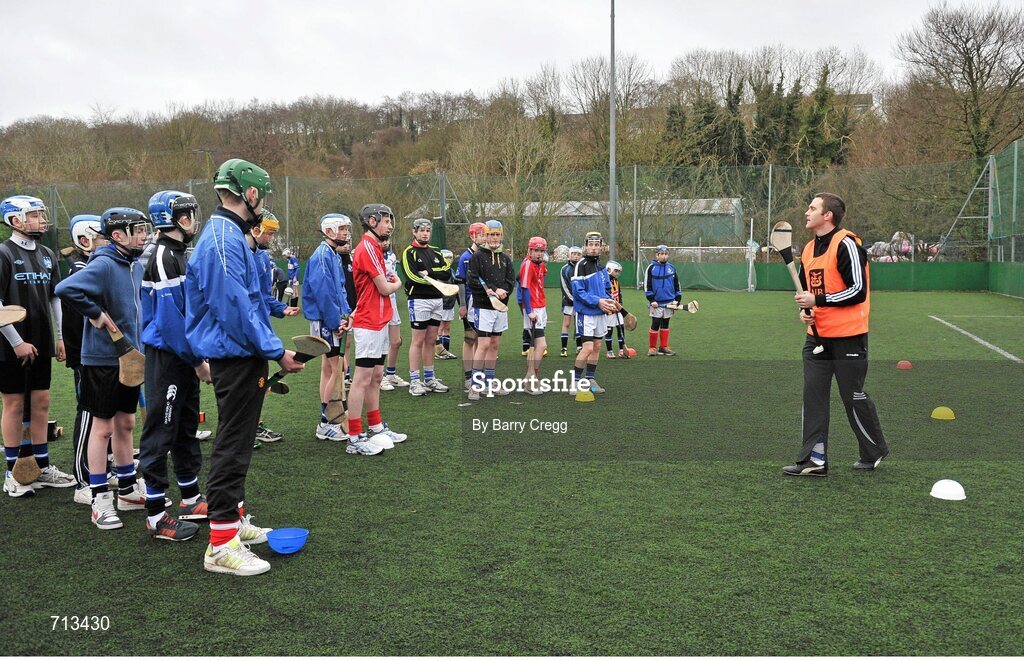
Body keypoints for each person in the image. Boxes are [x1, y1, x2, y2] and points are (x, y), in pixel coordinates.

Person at [185, 158, 304, 575]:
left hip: (242, 352)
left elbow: (248, 303)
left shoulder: (229, 233)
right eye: (263, 195)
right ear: (250, 194)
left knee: (240, 440)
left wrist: (268, 349)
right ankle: (219, 544)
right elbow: (235, 307)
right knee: (232, 444)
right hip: (233, 355)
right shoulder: (222, 236)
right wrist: (276, 351)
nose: (263, 202)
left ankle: (234, 523)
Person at [56, 207, 151, 527]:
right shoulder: (104, 263)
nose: (143, 235)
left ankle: (126, 490)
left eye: (143, 229)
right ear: (117, 235)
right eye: (136, 230)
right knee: (104, 428)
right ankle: (100, 497)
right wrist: (95, 314)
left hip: (129, 358)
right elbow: (66, 289)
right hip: (101, 361)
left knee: (126, 424)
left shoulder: (133, 264)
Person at [783, 192, 890, 477]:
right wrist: (806, 310)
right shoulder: (807, 250)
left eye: (812, 208)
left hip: (849, 338)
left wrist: (816, 302)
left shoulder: (847, 245)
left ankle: (873, 449)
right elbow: (809, 292)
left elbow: (857, 290)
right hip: (816, 338)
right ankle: (814, 460)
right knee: (813, 396)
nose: (807, 212)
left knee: (852, 396)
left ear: (827, 215)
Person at [137, 191, 210, 541]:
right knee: (160, 431)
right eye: (188, 215)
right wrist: (197, 361)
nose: (193, 220)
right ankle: (155, 516)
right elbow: (170, 322)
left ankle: (191, 498)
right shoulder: (165, 256)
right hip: (169, 358)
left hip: (184, 355)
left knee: (184, 427)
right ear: (175, 219)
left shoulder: (180, 254)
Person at [1, 195, 75, 498]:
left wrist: (59, 337)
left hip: (42, 340)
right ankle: (13, 474)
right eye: (34, 215)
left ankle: (41, 467)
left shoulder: (46, 253)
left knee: (41, 402)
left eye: (41, 214)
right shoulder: (3, 253)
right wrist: (17, 342)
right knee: (15, 405)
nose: (41, 219)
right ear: (15, 220)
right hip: (9, 344)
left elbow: (54, 297)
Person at [346, 203, 407, 454]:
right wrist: (398, 284)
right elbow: (383, 288)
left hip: (380, 320)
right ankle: (354, 436)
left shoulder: (375, 248)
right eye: (385, 221)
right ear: (371, 221)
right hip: (369, 322)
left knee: (376, 377)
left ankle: (376, 427)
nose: (390, 225)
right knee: (362, 379)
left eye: (391, 221)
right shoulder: (367, 248)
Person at [62, 215, 109, 504]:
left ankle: (105, 468)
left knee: (107, 415)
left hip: (103, 355)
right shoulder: (80, 272)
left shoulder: (97, 266)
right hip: (85, 356)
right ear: (84, 241)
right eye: (102, 237)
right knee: (89, 413)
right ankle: (84, 479)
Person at [302, 213, 353, 441]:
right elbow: (324, 293)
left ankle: (328, 420)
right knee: (337, 368)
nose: (345, 233)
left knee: (330, 368)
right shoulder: (323, 255)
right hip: (325, 320)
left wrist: (346, 314)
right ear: (330, 231)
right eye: (341, 229)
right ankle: (328, 421)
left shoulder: (331, 254)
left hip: (332, 318)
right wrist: (336, 321)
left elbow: (339, 289)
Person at [251, 210, 298, 445]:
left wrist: (281, 308)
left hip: (259, 327)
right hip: (247, 331)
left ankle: (254, 426)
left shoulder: (261, 257)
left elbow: (261, 296)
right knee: (247, 385)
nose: (270, 238)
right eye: (268, 233)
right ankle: (244, 431)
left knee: (258, 382)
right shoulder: (241, 254)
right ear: (255, 228)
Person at [400, 218, 451, 396]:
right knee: (418, 341)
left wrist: (430, 273)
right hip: (419, 300)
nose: (425, 233)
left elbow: (447, 271)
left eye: (427, 230)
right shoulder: (409, 252)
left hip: (437, 300)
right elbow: (411, 277)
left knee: (431, 340)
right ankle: (415, 381)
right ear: (414, 232)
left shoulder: (436, 252)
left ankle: (430, 379)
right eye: (421, 230)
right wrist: (436, 281)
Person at [466, 220, 515, 401]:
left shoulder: (506, 258)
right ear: (485, 236)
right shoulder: (477, 257)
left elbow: (511, 281)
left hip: (500, 308)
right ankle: (475, 384)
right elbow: (473, 280)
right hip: (483, 306)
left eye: (497, 235)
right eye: (490, 235)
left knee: (494, 344)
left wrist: (504, 292)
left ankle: (490, 381)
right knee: (484, 344)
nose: (494, 238)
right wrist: (491, 290)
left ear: (501, 236)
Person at [571, 231, 618, 395]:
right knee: (588, 347)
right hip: (586, 314)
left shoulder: (602, 267)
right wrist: (597, 301)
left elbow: (606, 289)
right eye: (590, 245)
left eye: (596, 245)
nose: (593, 248)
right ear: (585, 246)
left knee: (597, 346)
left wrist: (610, 301)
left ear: (601, 247)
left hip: (600, 313)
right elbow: (578, 292)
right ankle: (575, 382)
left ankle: (590, 379)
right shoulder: (580, 265)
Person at [454, 222, 486, 391]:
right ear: (472, 236)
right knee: (469, 339)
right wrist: (463, 305)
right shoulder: (465, 258)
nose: (483, 237)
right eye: (479, 234)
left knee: (482, 340)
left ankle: (478, 375)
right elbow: (460, 283)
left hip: (484, 305)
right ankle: (468, 377)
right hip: (470, 303)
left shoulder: (487, 256)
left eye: (484, 234)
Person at [517, 236, 548, 394]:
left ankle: (532, 379)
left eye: (541, 251)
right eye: (536, 250)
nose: (539, 253)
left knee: (538, 346)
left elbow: (543, 277)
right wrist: (528, 311)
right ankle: (530, 380)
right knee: (541, 346)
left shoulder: (541, 265)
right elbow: (524, 288)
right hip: (533, 309)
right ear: (529, 250)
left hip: (541, 307)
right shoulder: (527, 264)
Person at [378, 237, 408, 391]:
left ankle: (391, 374)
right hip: (378, 303)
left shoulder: (391, 256)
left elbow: (394, 278)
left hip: (392, 301)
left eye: (387, 240)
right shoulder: (371, 256)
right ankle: (380, 377)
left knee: (396, 341)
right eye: (382, 240)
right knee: (382, 342)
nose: (385, 243)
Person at [643, 245, 683, 357]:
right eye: (661, 254)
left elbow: (677, 285)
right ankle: (652, 348)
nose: (664, 256)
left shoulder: (672, 268)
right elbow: (647, 285)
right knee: (655, 323)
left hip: (669, 302)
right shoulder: (651, 268)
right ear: (657, 255)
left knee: (666, 324)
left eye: (666, 254)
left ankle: (663, 347)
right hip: (656, 302)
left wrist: (677, 299)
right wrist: (651, 300)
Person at [559, 246, 583, 357]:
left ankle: (579, 347)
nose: (576, 256)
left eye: (578, 254)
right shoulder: (565, 269)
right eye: (573, 254)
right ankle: (564, 348)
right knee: (566, 324)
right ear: (569, 255)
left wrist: (582, 299)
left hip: (581, 301)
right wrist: (573, 299)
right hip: (569, 301)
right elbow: (564, 287)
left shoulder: (583, 268)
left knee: (578, 324)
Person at [435, 248, 458, 360]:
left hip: (450, 304)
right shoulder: (440, 272)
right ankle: (438, 351)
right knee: (440, 327)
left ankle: (446, 351)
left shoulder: (452, 271)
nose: (449, 260)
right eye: (446, 258)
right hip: (441, 303)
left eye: (450, 257)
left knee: (447, 327)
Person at [604, 260, 629, 358]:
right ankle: (609, 351)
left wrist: (620, 305)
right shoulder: (604, 281)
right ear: (609, 270)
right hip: (609, 310)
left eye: (619, 271)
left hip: (618, 309)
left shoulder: (616, 281)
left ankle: (621, 349)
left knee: (620, 329)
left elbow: (619, 294)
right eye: (616, 271)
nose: (618, 273)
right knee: (609, 331)